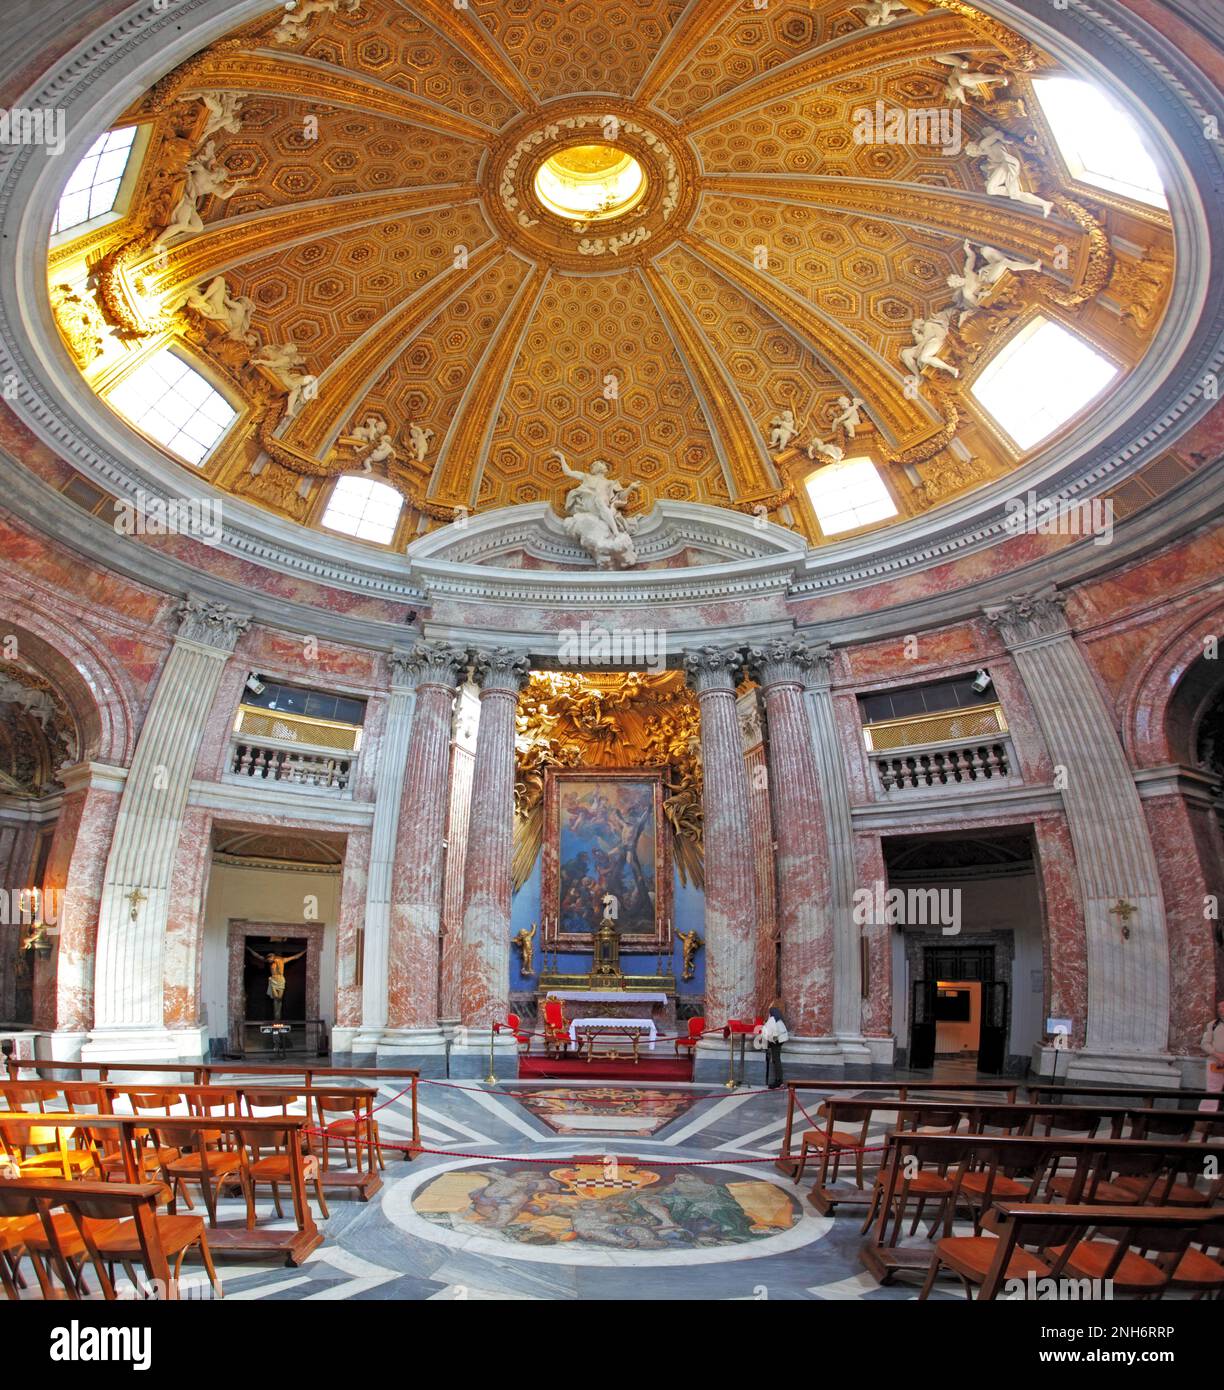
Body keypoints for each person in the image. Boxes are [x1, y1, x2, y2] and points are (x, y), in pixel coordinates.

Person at [756, 997, 789, 1089]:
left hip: (776, 1042)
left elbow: (770, 1033)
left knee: (776, 1060)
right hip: (779, 1041)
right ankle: (779, 1081)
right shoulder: (779, 1020)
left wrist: (764, 1041)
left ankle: (779, 1081)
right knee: (776, 1059)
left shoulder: (772, 1020)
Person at [1201, 999, 1224, 1112]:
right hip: (1215, 1062)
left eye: (1223, 1006)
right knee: (1212, 1094)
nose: (1220, 1009)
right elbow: (1204, 1044)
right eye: (1219, 1007)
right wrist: (1218, 1055)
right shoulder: (1212, 1025)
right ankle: (1202, 1125)